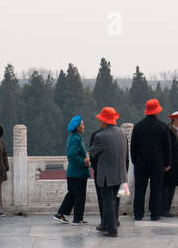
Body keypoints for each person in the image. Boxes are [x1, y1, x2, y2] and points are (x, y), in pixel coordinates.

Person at [88, 107, 129, 237]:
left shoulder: (100, 136)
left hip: (106, 175)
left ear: (104, 121)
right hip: (120, 173)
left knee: (107, 201)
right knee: (115, 201)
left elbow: (93, 153)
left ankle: (111, 229)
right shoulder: (122, 133)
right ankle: (109, 224)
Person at [130, 98, 171, 222]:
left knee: (140, 189)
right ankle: (154, 214)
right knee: (156, 188)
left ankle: (138, 214)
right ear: (157, 111)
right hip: (157, 163)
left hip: (141, 163)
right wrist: (167, 163)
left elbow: (133, 147)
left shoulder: (138, 127)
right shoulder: (163, 127)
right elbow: (167, 147)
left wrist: (135, 161)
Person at [54, 116, 90, 224]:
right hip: (77, 173)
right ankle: (77, 218)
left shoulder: (74, 137)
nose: (84, 127)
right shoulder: (76, 138)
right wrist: (83, 162)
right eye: (82, 125)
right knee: (78, 196)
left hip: (75, 173)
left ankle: (63, 215)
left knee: (73, 195)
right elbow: (72, 155)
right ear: (77, 127)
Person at [162, 110, 178, 216]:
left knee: (172, 187)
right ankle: (163, 209)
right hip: (169, 164)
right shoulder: (168, 131)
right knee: (165, 187)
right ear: (176, 120)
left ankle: (167, 208)